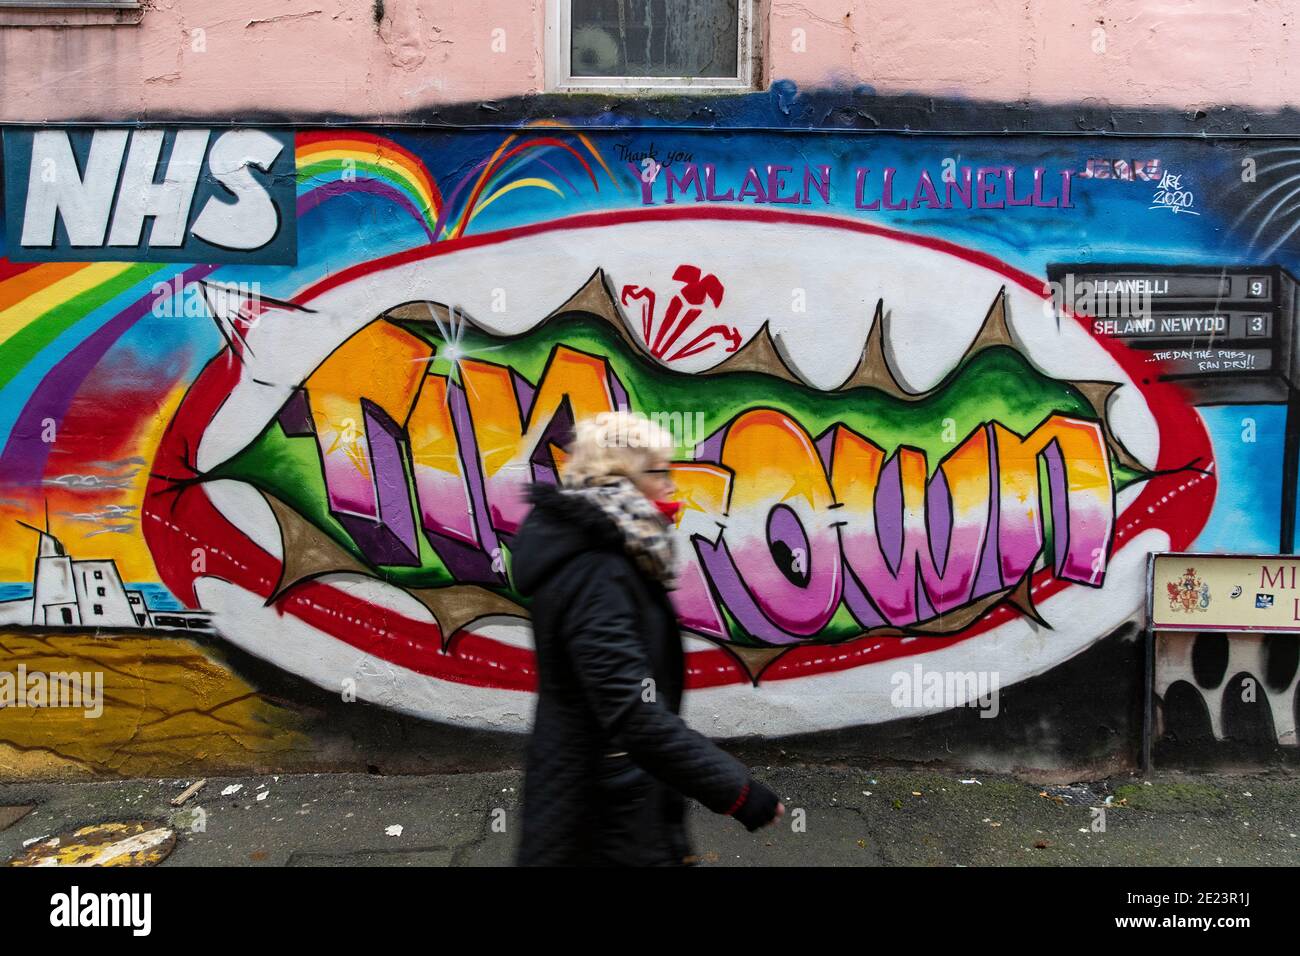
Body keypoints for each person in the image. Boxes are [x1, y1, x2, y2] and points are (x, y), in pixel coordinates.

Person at [512, 410, 783, 866]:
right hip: (600, 811)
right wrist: (738, 792)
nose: (674, 484)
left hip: (612, 792)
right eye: (662, 472)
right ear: (623, 480)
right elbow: (632, 713)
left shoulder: (604, 547)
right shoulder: (598, 569)